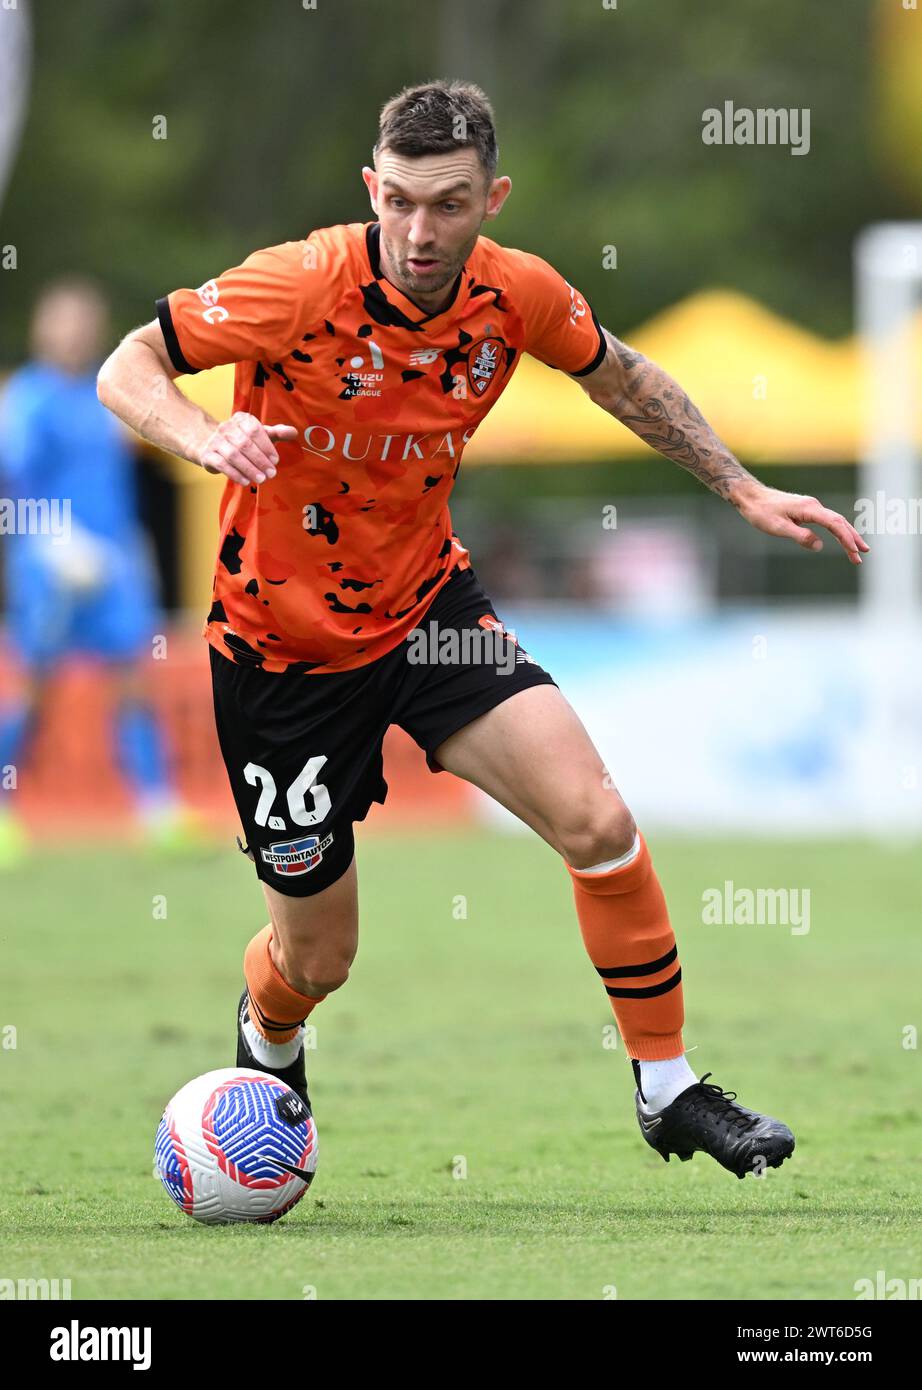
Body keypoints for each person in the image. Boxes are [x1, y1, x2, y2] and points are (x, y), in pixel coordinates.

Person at [96, 81, 868, 1179]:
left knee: (597, 818)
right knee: (318, 957)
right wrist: (201, 434)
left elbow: (624, 378)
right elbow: (126, 364)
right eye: (401, 202)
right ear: (372, 189)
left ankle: (668, 1087)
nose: (421, 231)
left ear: (491, 199)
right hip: (281, 653)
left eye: (449, 204)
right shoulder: (299, 281)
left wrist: (741, 489)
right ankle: (268, 1036)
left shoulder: (518, 296)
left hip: (427, 616)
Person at [0, 277, 199, 865]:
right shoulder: (28, 398)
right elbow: (15, 485)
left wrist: (130, 546)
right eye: (64, 320)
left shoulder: (106, 392)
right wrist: (50, 541)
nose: (75, 332)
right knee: (35, 692)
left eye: (84, 321)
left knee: (134, 684)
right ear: (43, 328)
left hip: (112, 566)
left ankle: (158, 811)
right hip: (51, 568)